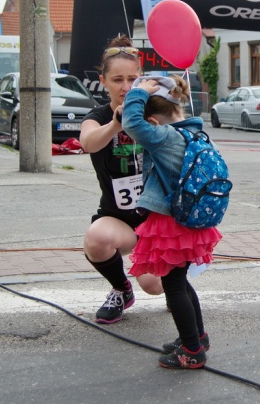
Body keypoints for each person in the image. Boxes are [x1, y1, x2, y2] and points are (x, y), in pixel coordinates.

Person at [121, 75, 222, 370]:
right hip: (193, 220)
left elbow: (130, 123)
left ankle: (192, 351)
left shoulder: (163, 136)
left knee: (173, 284)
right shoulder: (197, 134)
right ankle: (196, 337)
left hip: (171, 223)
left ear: (153, 121)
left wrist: (137, 93)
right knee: (180, 281)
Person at [79, 35, 162, 325]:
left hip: (157, 219)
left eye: (132, 79)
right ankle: (121, 289)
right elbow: (88, 142)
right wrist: (117, 123)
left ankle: (179, 273)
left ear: (142, 79)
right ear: (103, 80)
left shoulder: (157, 114)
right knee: (95, 240)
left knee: (154, 286)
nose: (126, 88)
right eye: (117, 80)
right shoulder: (98, 116)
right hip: (120, 219)